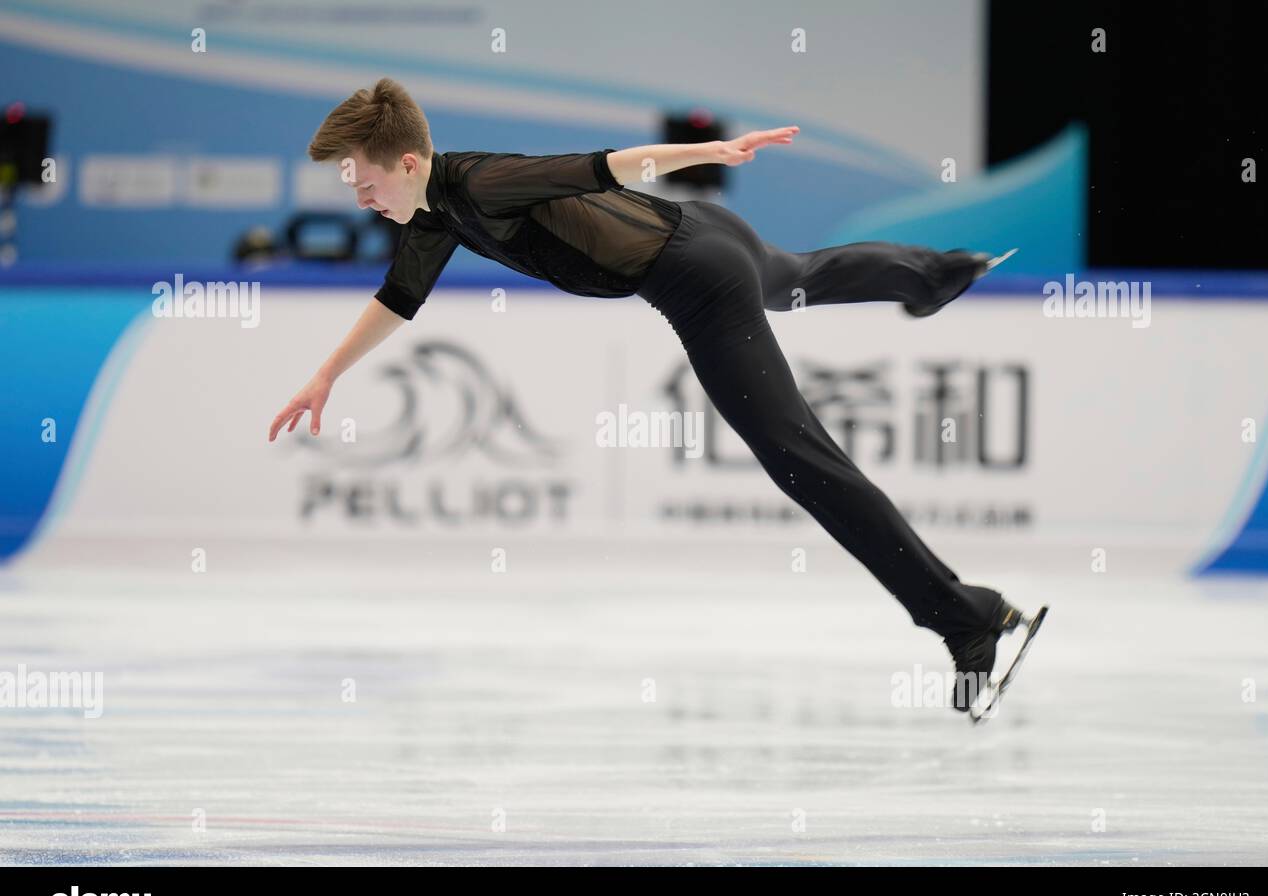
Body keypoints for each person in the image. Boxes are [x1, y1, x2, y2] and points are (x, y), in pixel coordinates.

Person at [268, 77, 1031, 712]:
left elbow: (600, 167)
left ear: (406, 162)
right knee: (799, 277)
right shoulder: (434, 213)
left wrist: (711, 151)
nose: (362, 202)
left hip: (696, 279)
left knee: (798, 458)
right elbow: (401, 296)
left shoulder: (481, 181)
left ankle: (967, 617)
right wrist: (327, 375)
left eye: (366, 186)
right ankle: (936, 274)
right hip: (702, 232)